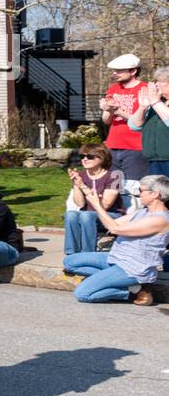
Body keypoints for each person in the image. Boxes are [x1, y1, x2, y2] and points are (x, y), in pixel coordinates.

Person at [62, 175, 169, 305]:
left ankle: (131, 292)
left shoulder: (160, 220)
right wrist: (89, 194)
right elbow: (114, 223)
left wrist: (97, 205)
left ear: (155, 194)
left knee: (82, 293)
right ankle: (128, 285)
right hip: (115, 258)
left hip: (132, 268)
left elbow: (115, 229)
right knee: (70, 262)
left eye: (141, 191)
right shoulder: (143, 212)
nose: (138, 194)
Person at [64, 144, 124, 255]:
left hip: (110, 216)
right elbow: (80, 203)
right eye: (82, 156)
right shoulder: (80, 175)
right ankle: (71, 254)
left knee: (86, 215)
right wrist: (76, 184)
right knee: (71, 214)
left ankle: (88, 255)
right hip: (87, 216)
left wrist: (83, 186)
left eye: (90, 156)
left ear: (102, 158)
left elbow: (105, 205)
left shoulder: (114, 176)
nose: (85, 159)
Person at [100, 53, 151, 181]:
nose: (114, 74)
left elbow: (141, 121)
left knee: (134, 187)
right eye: (114, 71)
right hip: (113, 145)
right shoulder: (113, 88)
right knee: (114, 188)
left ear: (133, 71)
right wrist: (108, 110)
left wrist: (118, 111)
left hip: (136, 147)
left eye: (118, 71)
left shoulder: (145, 89)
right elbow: (106, 120)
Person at [128, 66, 169, 178]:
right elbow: (134, 125)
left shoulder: (157, 103)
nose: (156, 84)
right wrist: (143, 107)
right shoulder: (157, 103)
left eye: (160, 81)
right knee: (157, 194)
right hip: (153, 160)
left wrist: (155, 102)